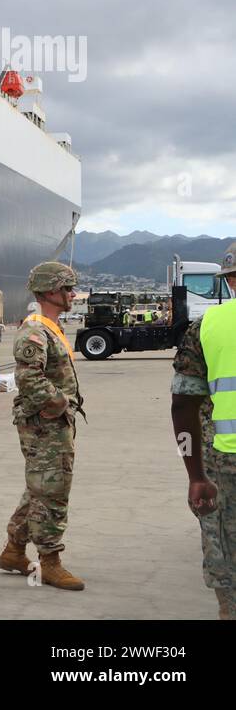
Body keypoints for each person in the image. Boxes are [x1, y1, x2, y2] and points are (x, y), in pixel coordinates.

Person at [0, 261, 86, 590]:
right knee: (53, 491)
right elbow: (29, 378)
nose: (72, 294)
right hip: (45, 425)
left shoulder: (49, 327)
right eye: (67, 288)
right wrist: (58, 403)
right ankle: (50, 561)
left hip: (51, 423)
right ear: (51, 291)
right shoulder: (35, 330)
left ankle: (13, 551)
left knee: (39, 488)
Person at [170, 241, 236, 619]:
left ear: (229, 282)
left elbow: (183, 404)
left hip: (222, 462)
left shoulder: (207, 327)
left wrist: (195, 476)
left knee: (224, 548)